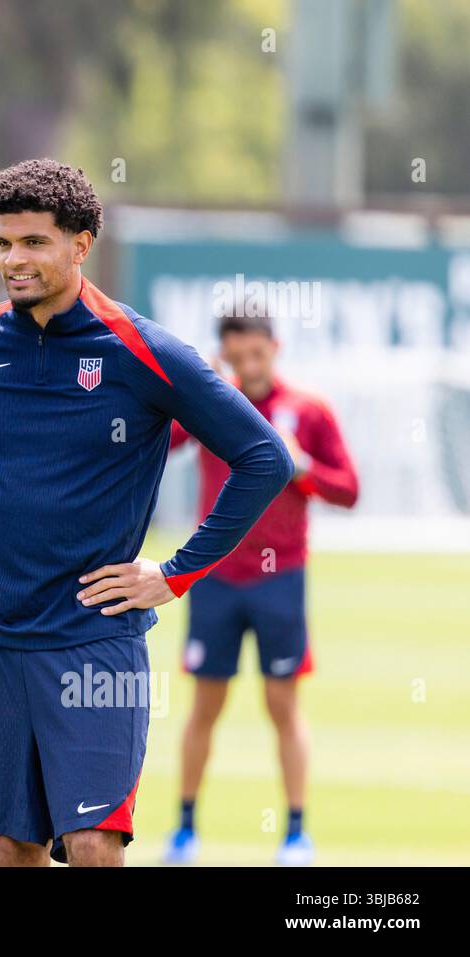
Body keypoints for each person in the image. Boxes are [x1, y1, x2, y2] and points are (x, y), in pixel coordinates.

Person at [0, 158, 294, 866]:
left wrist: (175, 573)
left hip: (96, 641)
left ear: (81, 245)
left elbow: (263, 457)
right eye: (3, 243)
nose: (14, 260)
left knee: (93, 845)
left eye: (34, 243)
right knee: (11, 847)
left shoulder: (145, 350)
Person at [162, 311, 359, 867]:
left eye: (257, 355)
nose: (249, 368)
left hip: (281, 580)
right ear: (224, 354)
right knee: (206, 705)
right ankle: (184, 831)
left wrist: (304, 467)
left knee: (282, 704)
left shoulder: (309, 410)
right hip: (215, 576)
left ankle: (295, 834)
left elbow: (348, 488)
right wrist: (202, 391)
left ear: (275, 347)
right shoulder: (215, 405)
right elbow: (166, 441)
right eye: (237, 357)